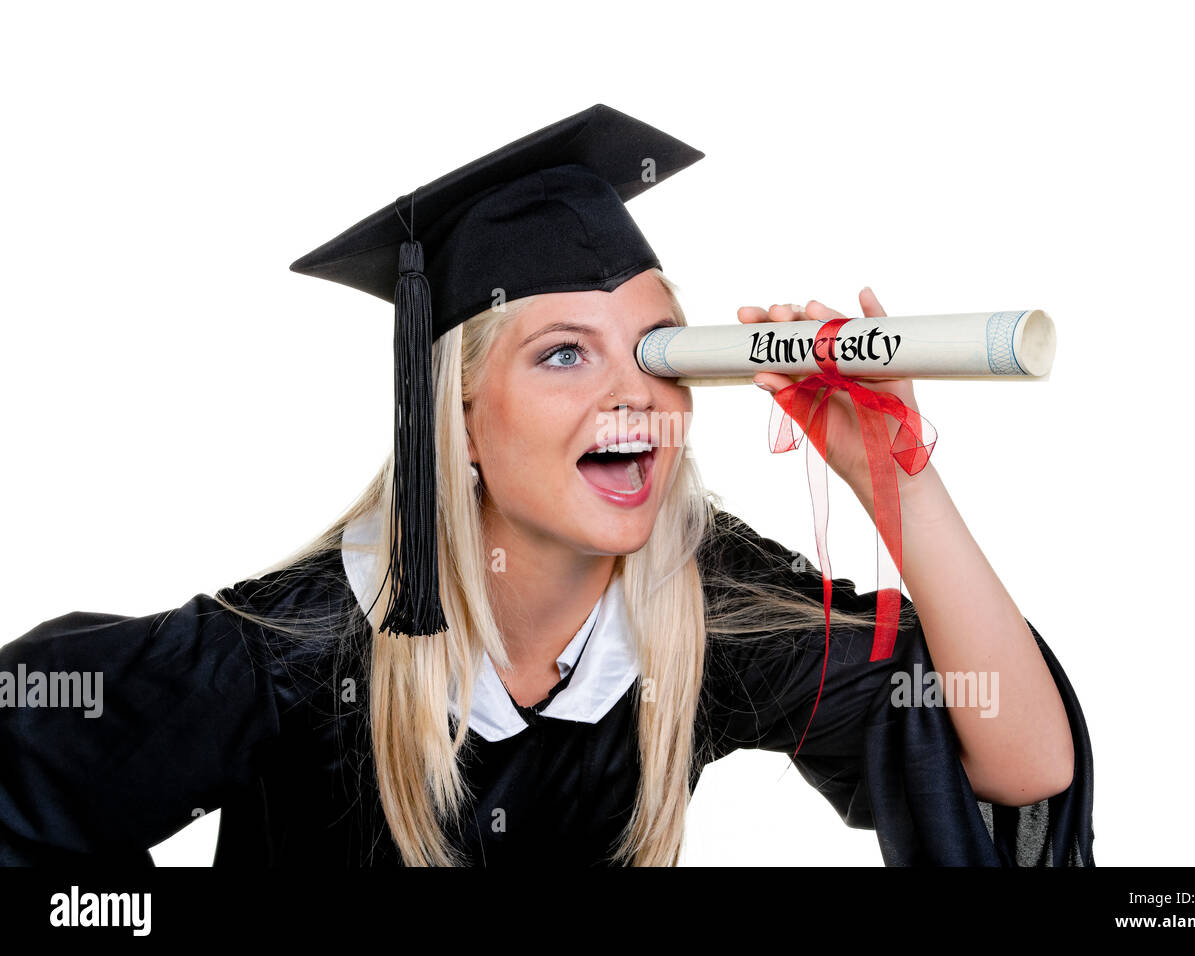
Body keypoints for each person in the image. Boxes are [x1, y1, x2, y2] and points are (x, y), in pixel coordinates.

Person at [0, 104, 1094, 867]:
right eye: (564, 352)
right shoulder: (293, 652)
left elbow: (1019, 761)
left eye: (661, 348)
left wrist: (890, 474)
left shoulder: (694, 606)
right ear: (460, 418)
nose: (633, 390)